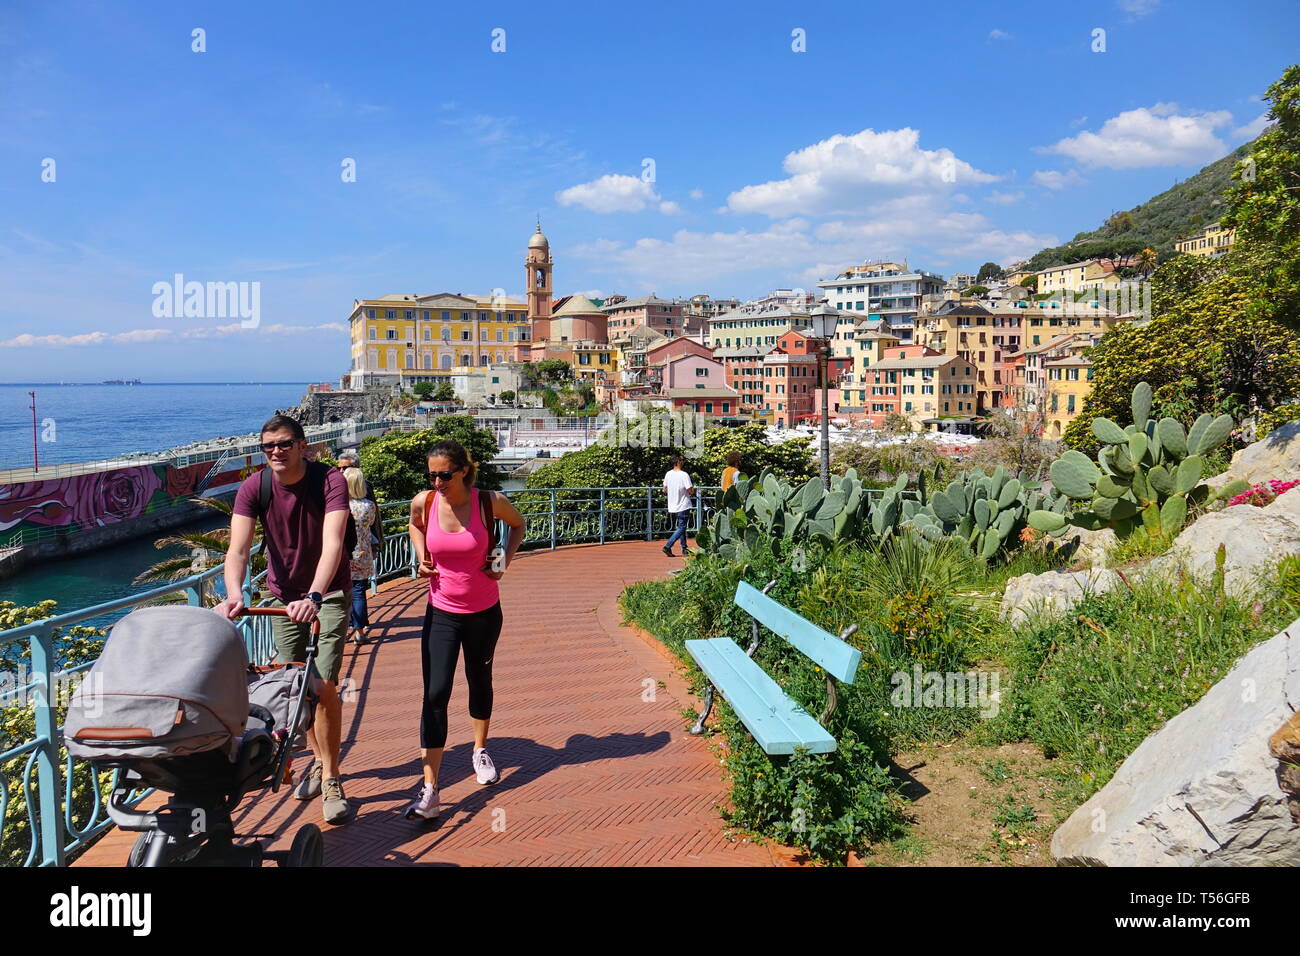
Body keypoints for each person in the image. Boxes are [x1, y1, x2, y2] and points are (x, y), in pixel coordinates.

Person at [214, 414, 354, 825]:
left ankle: (331, 776)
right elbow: (238, 550)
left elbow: (332, 543)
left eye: (285, 444)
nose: (276, 451)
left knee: (324, 686)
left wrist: (314, 593)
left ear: (303, 445)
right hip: (282, 596)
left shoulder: (330, 480)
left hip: (324, 594)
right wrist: (235, 593)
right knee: (296, 685)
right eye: (268, 446)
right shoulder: (254, 486)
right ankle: (314, 760)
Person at [403, 439, 526, 822]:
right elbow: (413, 526)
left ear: (462, 471)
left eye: (444, 475)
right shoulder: (424, 502)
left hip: (484, 611)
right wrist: (420, 556)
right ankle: (431, 789)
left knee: (479, 678)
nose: (437, 482)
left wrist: (503, 559)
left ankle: (479, 750)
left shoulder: (488, 502)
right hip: (441, 611)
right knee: (434, 693)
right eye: (432, 475)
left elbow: (518, 525)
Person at [344, 466, 375, 645]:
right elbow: (370, 524)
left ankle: (343, 627)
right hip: (362, 553)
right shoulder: (368, 506)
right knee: (358, 592)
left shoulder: (340, 507)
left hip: (343, 554)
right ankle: (359, 631)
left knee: (341, 593)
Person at [662, 454, 695, 557]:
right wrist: (694, 491)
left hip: (673, 505)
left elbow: (664, 489)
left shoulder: (668, 474)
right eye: (682, 460)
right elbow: (690, 490)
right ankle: (668, 546)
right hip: (683, 504)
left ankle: (684, 548)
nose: (683, 462)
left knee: (681, 526)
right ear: (678, 462)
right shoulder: (684, 475)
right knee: (682, 527)